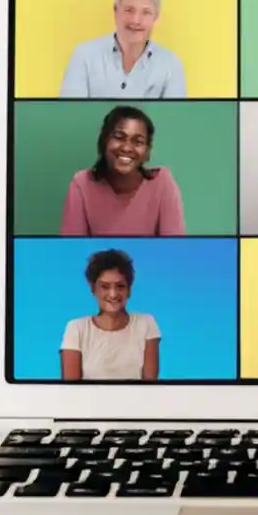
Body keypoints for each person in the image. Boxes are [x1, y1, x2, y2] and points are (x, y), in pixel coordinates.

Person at [59, 105, 185, 236]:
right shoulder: (82, 184)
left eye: (138, 142)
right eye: (119, 137)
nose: (126, 148)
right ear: (104, 141)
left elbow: (175, 248)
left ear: (147, 152)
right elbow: (71, 247)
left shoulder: (162, 183)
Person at [58, 0, 187, 98]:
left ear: (155, 17)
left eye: (146, 12)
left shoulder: (171, 64)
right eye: (129, 10)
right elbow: (70, 114)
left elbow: (174, 119)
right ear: (116, 10)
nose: (136, 20)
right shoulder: (84, 55)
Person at [61, 249, 161, 380]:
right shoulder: (76, 328)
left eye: (120, 286)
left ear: (129, 289)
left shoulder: (146, 324)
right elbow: (70, 390)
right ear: (93, 288)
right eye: (105, 286)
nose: (113, 294)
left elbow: (150, 387)